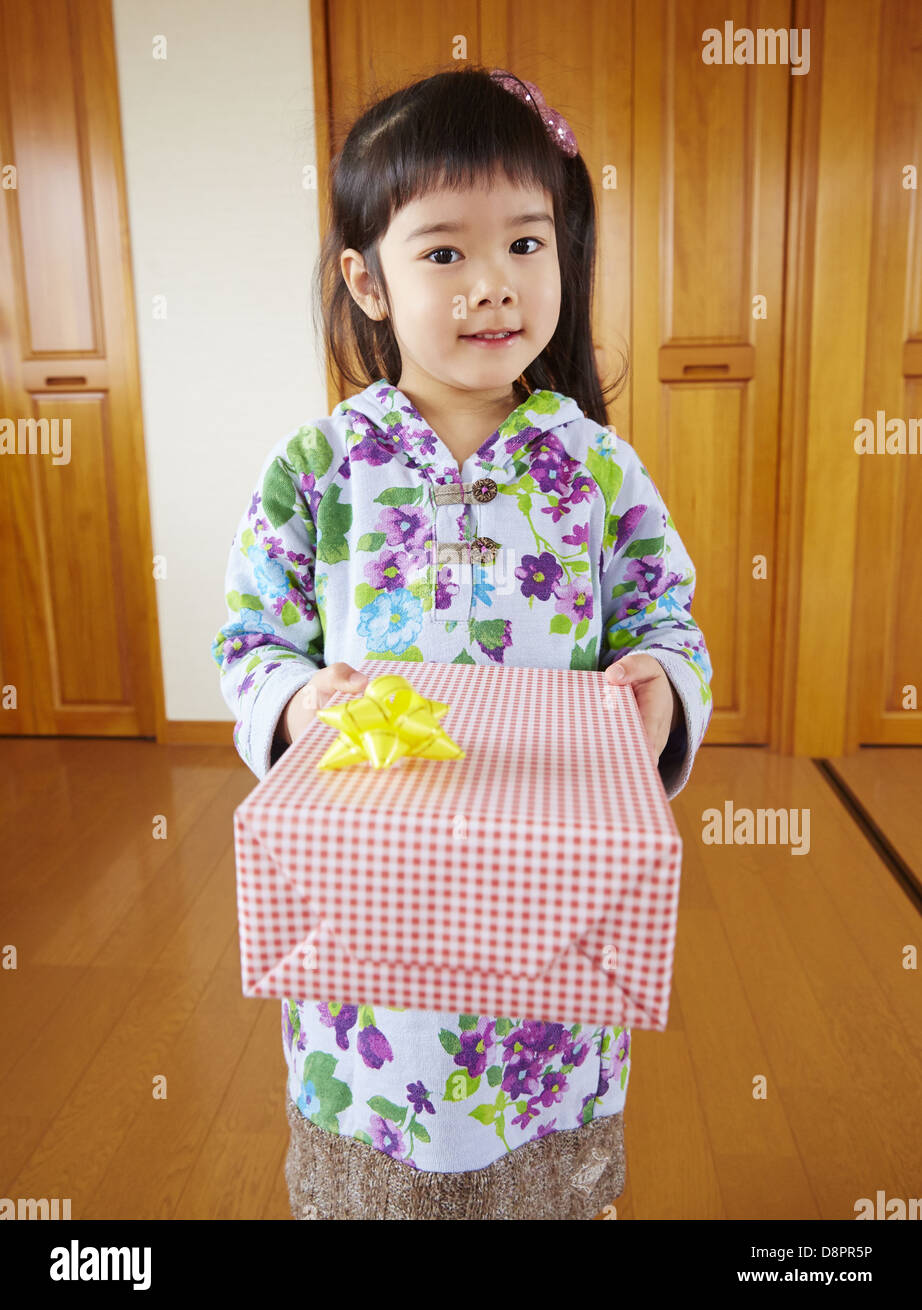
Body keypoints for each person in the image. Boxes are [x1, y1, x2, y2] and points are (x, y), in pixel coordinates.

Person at [211, 65, 713, 1220]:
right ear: (368, 281)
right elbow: (251, 636)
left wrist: (659, 689)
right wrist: (297, 706)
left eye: (525, 244)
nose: (492, 284)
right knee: (393, 1147)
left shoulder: (593, 464)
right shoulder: (318, 468)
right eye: (443, 252)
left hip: (551, 916)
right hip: (371, 912)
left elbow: (665, 614)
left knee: (537, 1160)